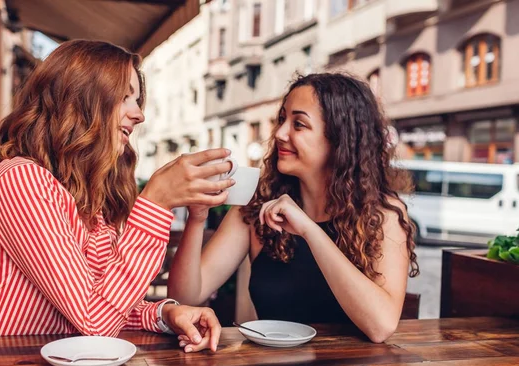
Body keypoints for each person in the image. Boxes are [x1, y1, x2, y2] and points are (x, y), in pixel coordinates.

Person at [0, 40, 236, 353]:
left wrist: (165, 313)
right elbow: (94, 321)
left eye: (138, 100)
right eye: (125, 96)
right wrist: (156, 202)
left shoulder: (83, 196)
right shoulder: (20, 180)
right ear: (79, 97)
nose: (139, 114)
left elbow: (102, 302)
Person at [168, 73, 419, 344]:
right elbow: (186, 297)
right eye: (282, 119)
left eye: (298, 124)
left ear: (339, 140)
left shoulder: (382, 214)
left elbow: (381, 326)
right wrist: (196, 218)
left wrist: (309, 230)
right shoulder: (256, 209)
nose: (280, 133)